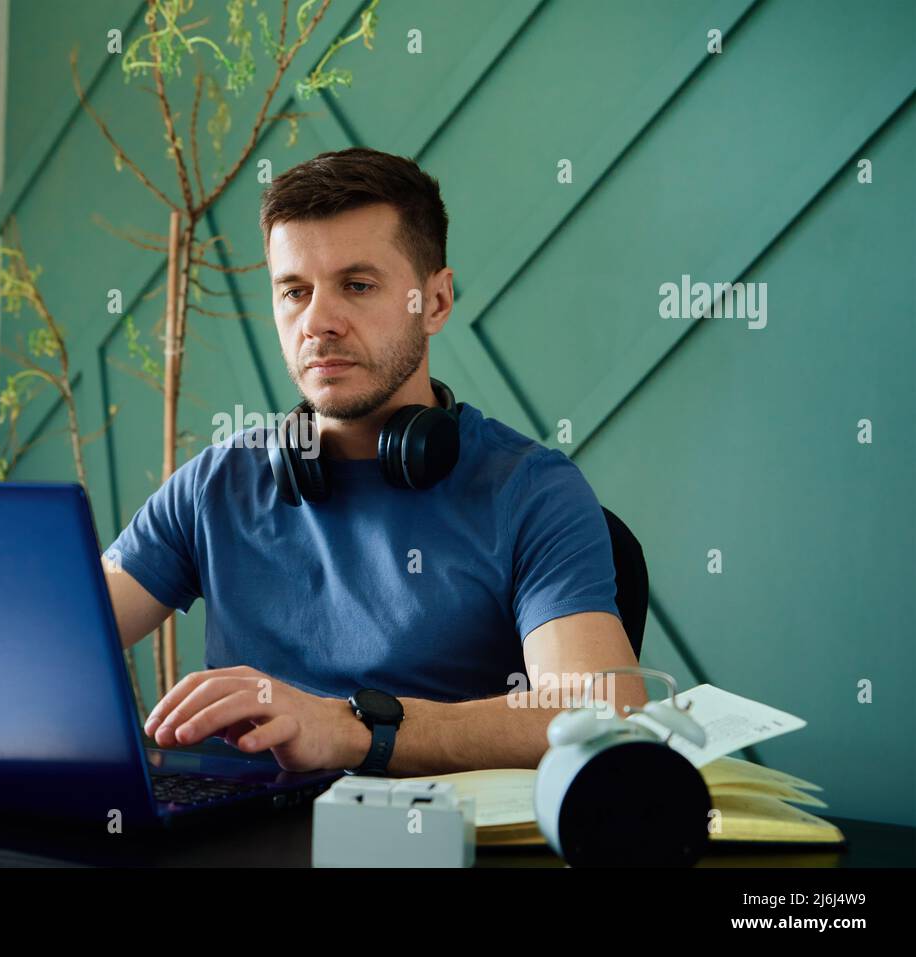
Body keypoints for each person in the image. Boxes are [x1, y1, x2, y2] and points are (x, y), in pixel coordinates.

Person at [102, 147, 645, 777]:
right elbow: (53, 641)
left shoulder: (530, 490)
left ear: (436, 302)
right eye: (294, 291)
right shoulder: (214, 483)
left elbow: (601, 712)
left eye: (357, 286)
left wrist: (353, 728)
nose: (318, 322)